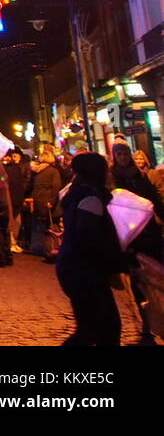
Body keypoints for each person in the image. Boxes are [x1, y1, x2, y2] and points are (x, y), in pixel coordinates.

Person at [56, 152, 124, 347]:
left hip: (78, 269)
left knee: (96, 329)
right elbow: (88, 237)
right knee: (99, 330)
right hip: (84, 272)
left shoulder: (80, 193)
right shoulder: (90, 198)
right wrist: (111, 262)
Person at [110, 140, 164, 344]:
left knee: (156, 276)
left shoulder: (140, 175)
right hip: (129, 235)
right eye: (119, 154)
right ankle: (146, 325)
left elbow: (154, 200)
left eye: (125, 153)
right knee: (137, 281)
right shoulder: (112, 177)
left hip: (149, 232)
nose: (123, 157)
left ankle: (157, 318)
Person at [28, 145, 64, 260]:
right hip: (49, 202)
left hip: (39, 201)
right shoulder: (53, 171)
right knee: (53, 226)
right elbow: (56, 187)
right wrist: (52, 201)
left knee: (43, 226)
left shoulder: (38, 172)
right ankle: (54, 246)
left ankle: (45, 247)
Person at [3, 148, 31, 254]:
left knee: (17, 223)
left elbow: (20, 183)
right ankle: (11, 243)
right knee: (12, 223)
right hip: (10, 199)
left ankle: (13, 242)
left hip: (16, 199)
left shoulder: (16, 168)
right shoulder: (5, 168)